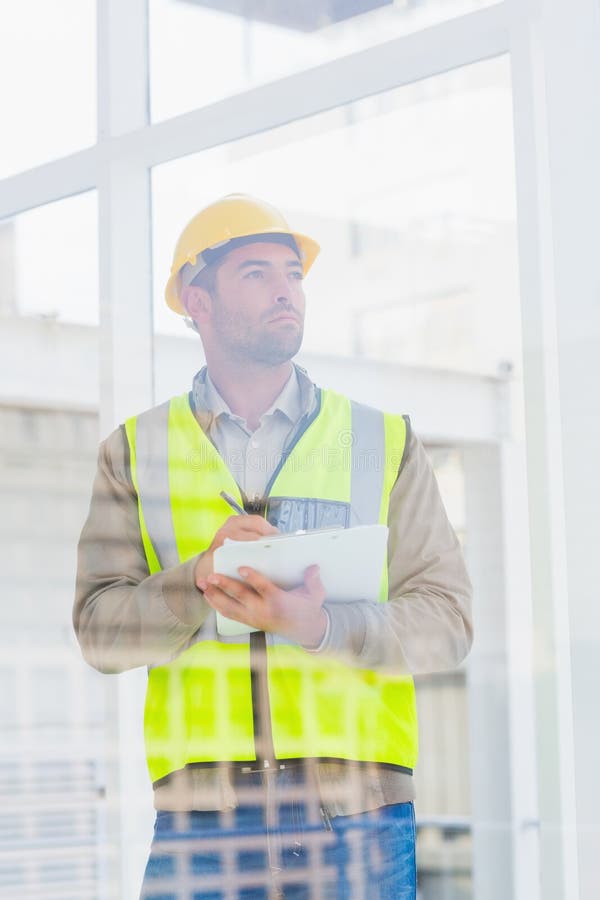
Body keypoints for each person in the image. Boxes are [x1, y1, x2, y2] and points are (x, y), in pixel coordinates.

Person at [74, 194, 473, 900]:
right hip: (206, 821)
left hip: (360, 813)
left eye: (292, 272)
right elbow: (100, 635)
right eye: (256, 273)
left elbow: (448, 623)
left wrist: (320, 627)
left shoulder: (385, 442)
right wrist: (197, 578)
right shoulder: (134, 453)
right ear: (197, 302)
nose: (286, 289)